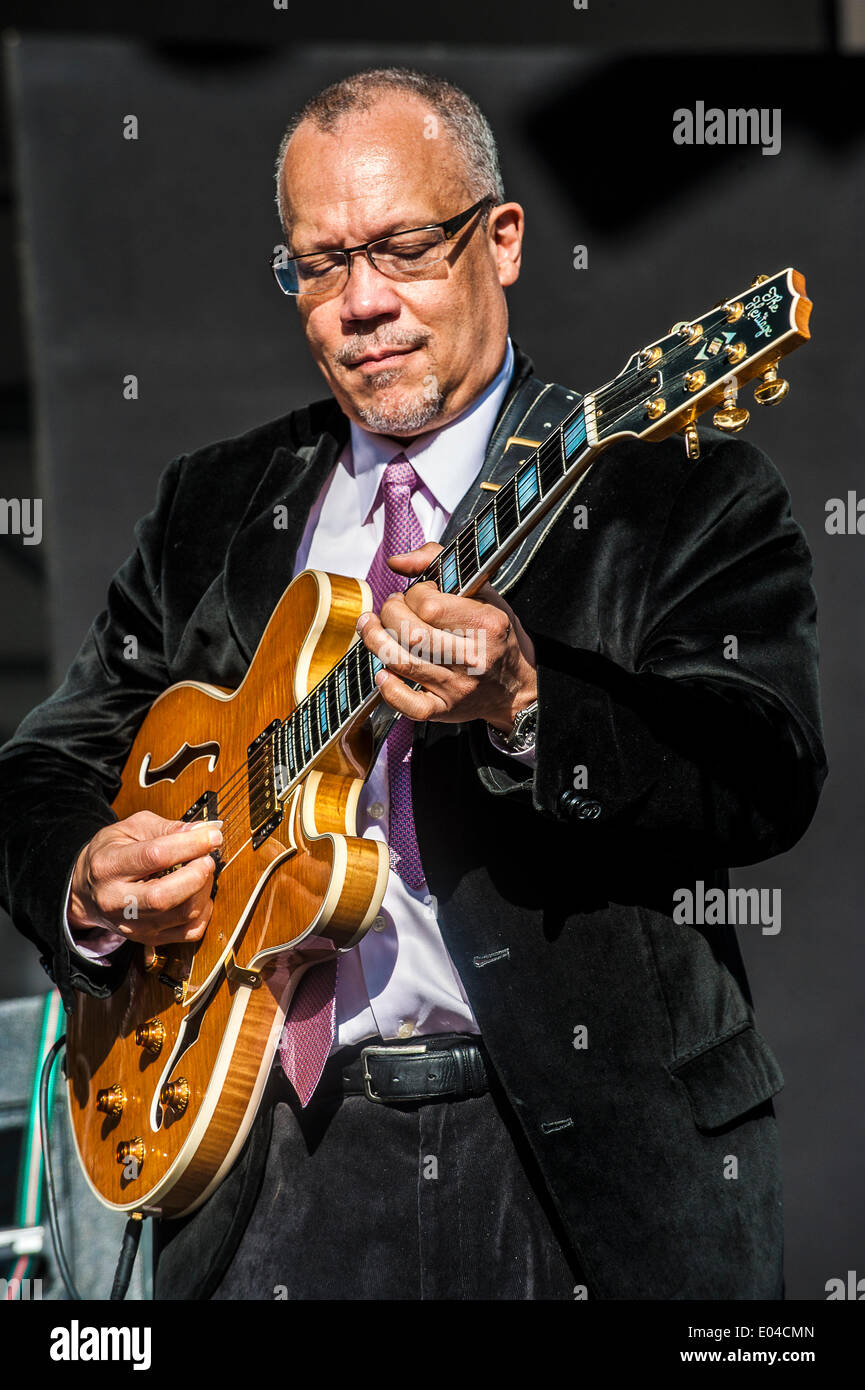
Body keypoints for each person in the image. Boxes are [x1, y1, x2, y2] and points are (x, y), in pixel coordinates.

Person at [0, 67, 826, 1300]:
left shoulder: (673, 488)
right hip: (264, 1167)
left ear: (500, 240)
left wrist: (533, 704)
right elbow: (43, 769)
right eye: (319, 264)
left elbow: (762, 770)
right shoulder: (211, 506)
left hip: (582, 1172)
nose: (362, 303)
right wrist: (85, 874)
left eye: (400, 248)